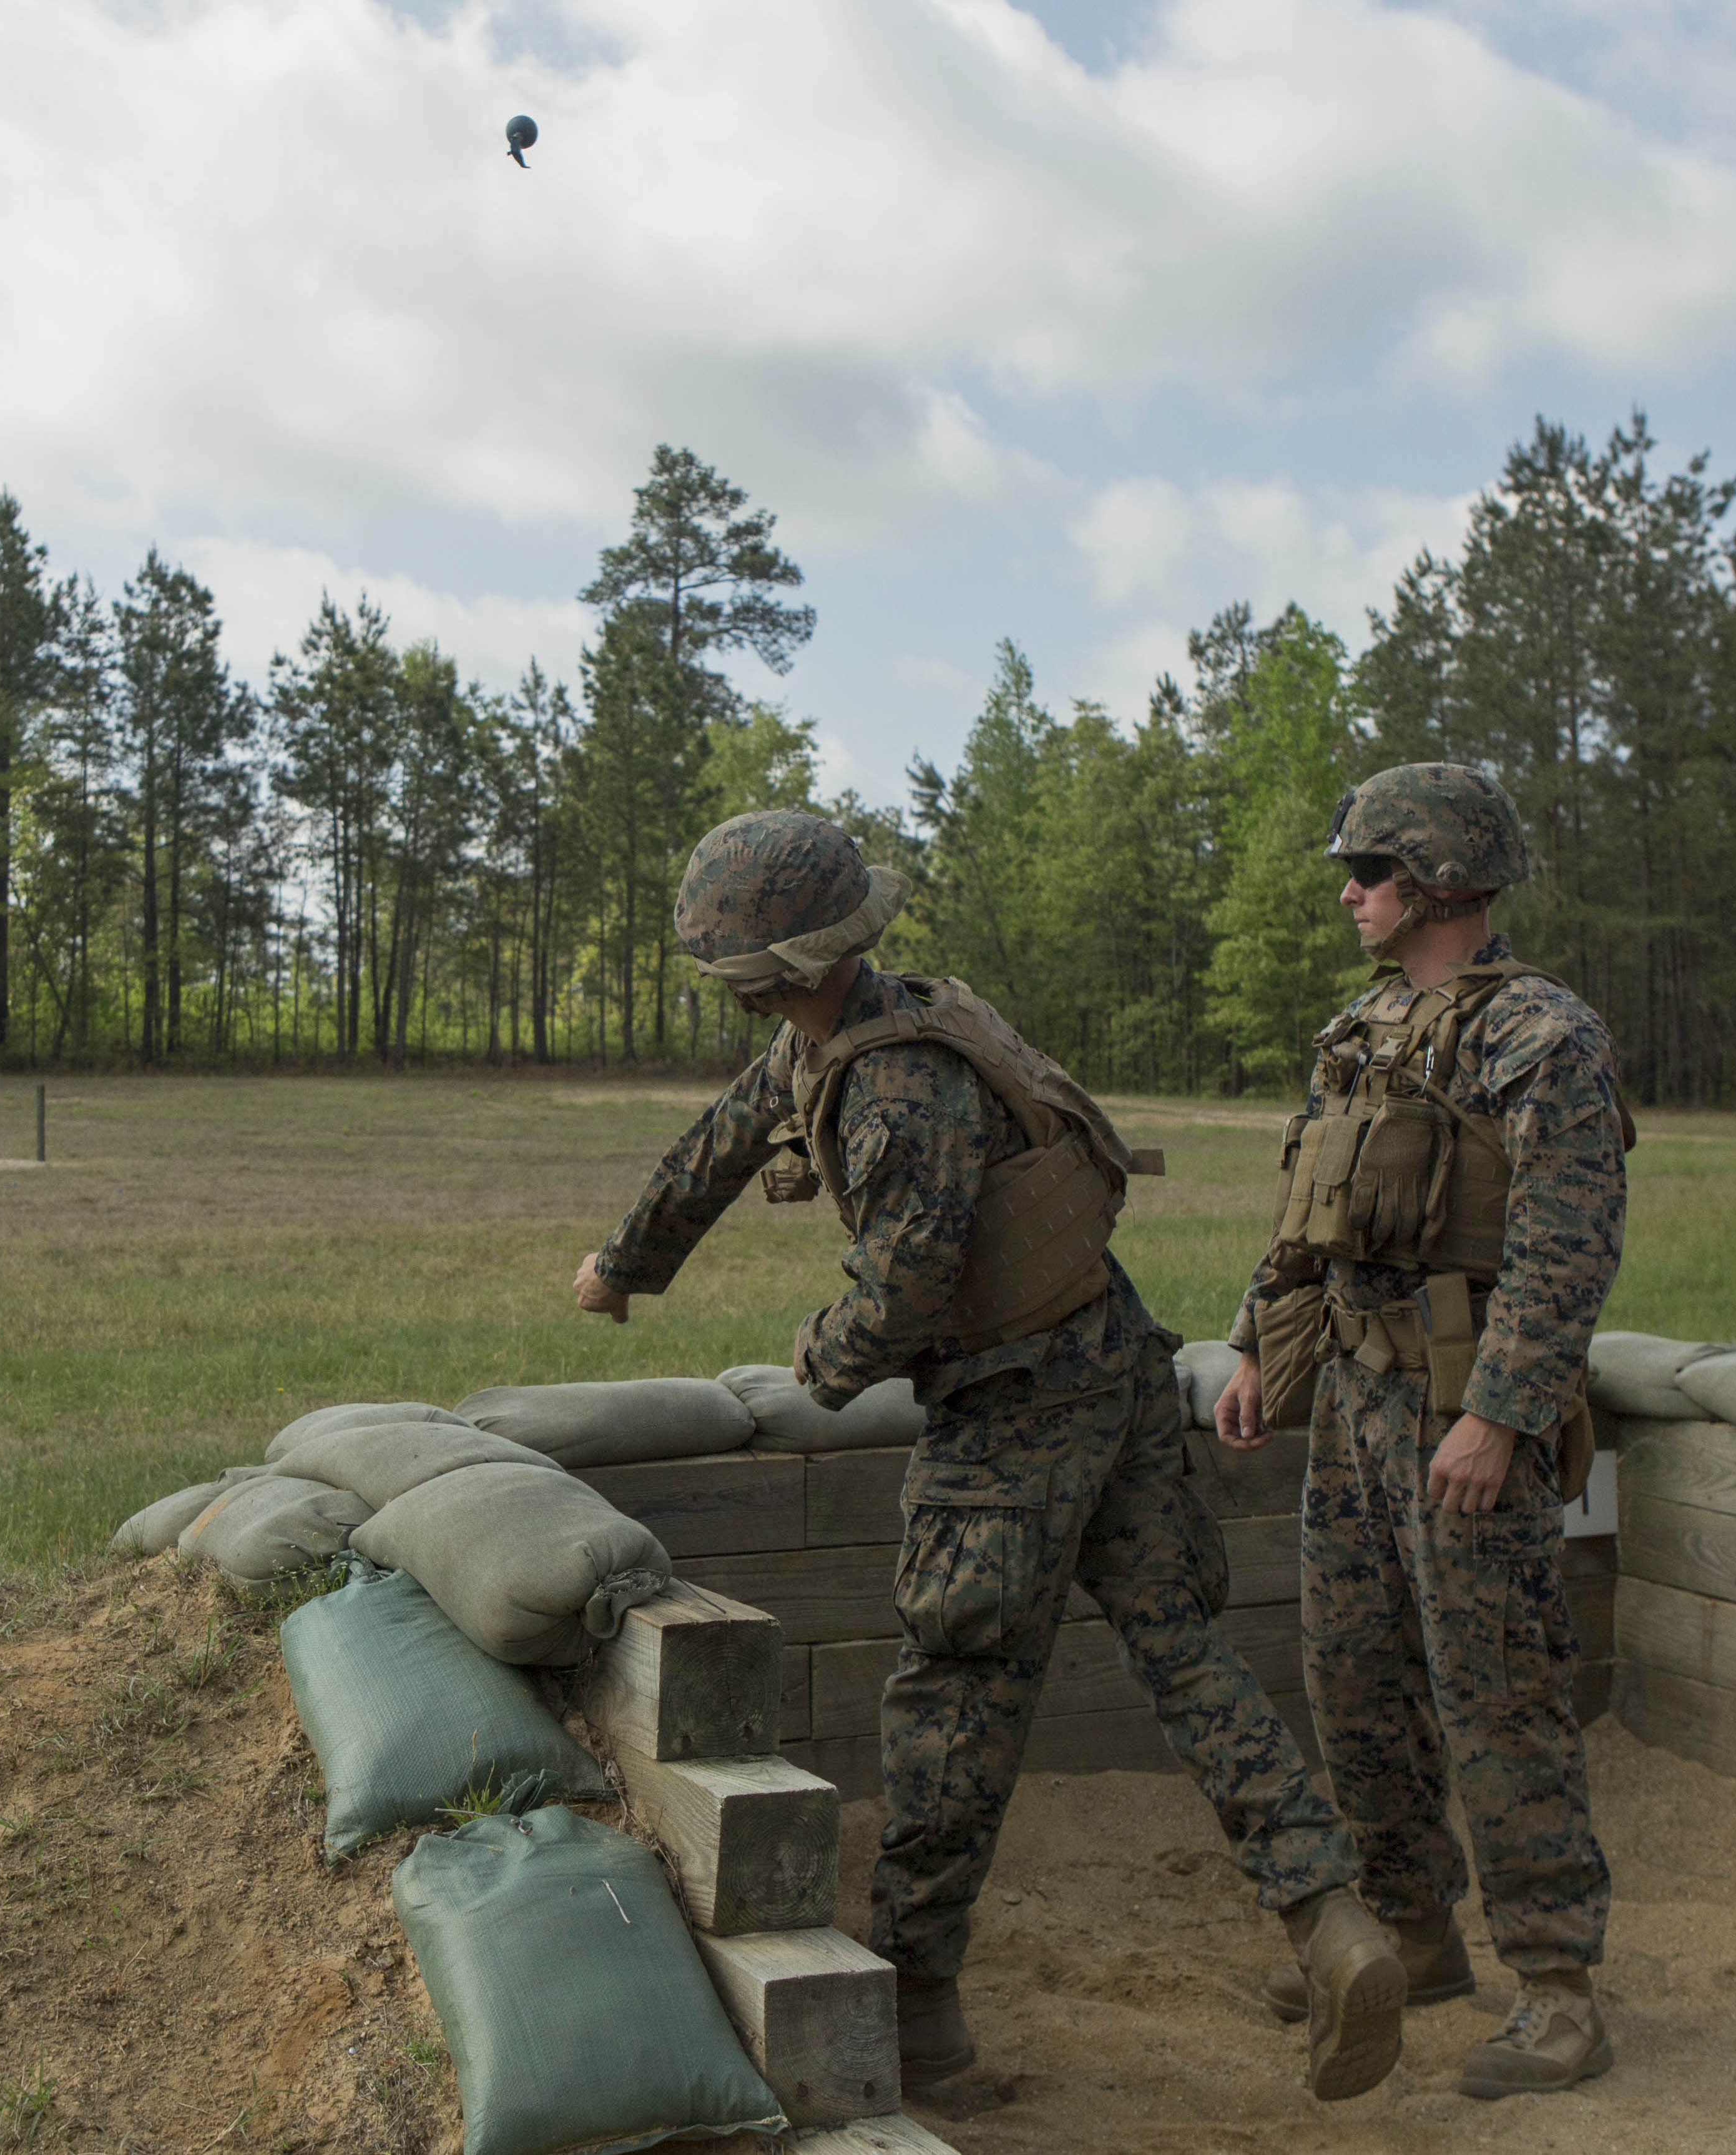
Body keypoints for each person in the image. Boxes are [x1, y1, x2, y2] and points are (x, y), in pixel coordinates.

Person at [576, 809, 1408, 2108]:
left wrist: (821, 1356)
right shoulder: (884, 1023)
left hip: (1012, 1416)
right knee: (1188, 1658)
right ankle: (1330, 1916)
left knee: (954, 1702)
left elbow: (908, 1290)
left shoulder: (896, 1095)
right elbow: (725, 1140)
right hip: (1120, 1364)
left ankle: (918, 2021)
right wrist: (625, 1264)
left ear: (768, 973)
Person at [1213, 762, 1631, 2101]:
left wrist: (1499, 1416)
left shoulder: (1543, 1037)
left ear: (1439, 880)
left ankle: (1558, 1988)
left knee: (1496, 1690)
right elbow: (1305, 1203)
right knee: (1355, 1682)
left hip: (1462, 1419)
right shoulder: (1363, 1026)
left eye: (1371, 872)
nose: (1351, 894)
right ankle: (1412, 1927)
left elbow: (1570, 1249)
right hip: (1352, 1402)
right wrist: (1248, 1338)